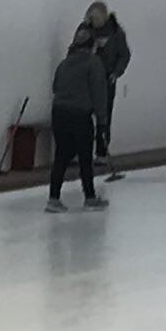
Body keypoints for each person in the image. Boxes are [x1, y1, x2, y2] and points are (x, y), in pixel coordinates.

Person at [44, 16, 117, 211]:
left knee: (61, 155)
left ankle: (53, 199)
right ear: (92, 45)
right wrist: (102, 121)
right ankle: (90, 198)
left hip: (59, 113)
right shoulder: (93, 64)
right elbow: (99, 93)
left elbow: (55, 87)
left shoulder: (64, 63)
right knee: (85, 156)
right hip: (79, 115)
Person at [74, 1, 133, 167]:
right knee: (82, 116)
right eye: (91, 19)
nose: (93, 23)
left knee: (104, 116)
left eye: (96, 19)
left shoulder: (116, 32)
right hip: (85, 78)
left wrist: (116, 73)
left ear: (104, 18)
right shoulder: (84, 29)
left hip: (106, 79)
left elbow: (124, 55)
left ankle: (101, 152)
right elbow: (74, 49)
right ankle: (79, 151)